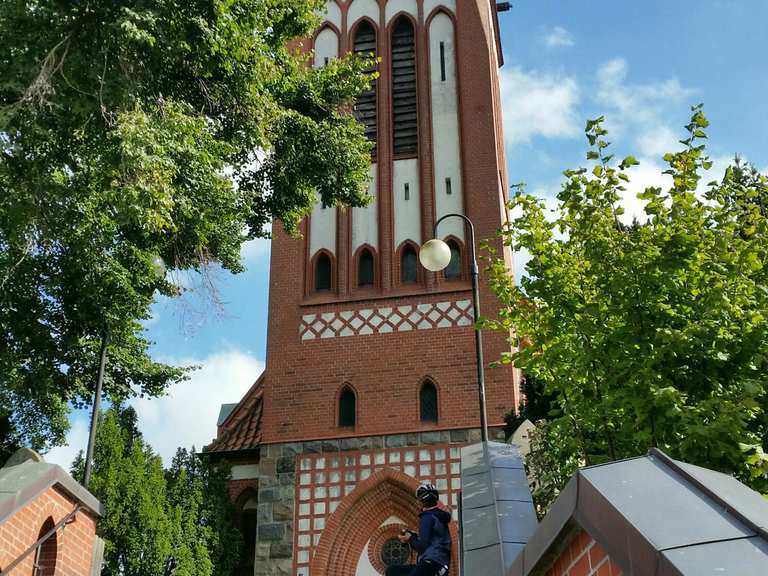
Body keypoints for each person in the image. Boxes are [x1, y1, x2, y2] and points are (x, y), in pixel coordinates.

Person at [385, 482, 452, 576]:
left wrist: (410, 538)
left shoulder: (427, 517)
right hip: (441, 566)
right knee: (392, 571)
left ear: (421, 502)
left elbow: (422, 546)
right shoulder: (439, 516)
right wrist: (414, 536)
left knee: (392, 571)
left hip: (431, 563)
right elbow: (431, 541)